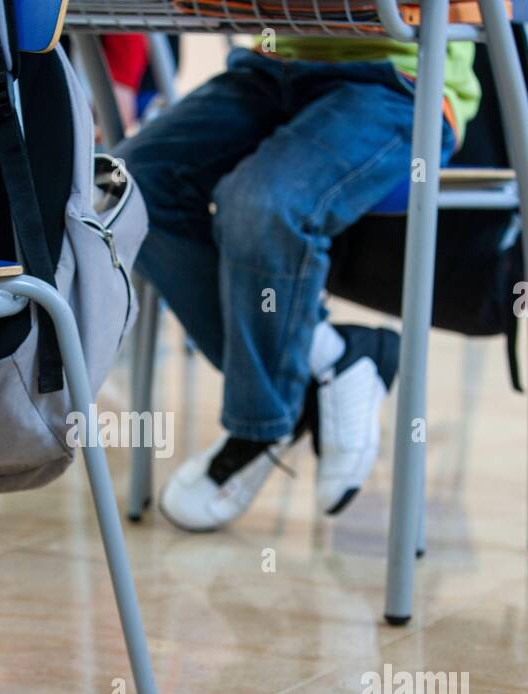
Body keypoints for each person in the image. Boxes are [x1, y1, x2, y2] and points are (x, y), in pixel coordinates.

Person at [117, 34, 480, 531]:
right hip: (276, 63)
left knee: (261, 205)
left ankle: (258, 425)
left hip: (400, 78)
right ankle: (331, 357)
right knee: (124, 189)